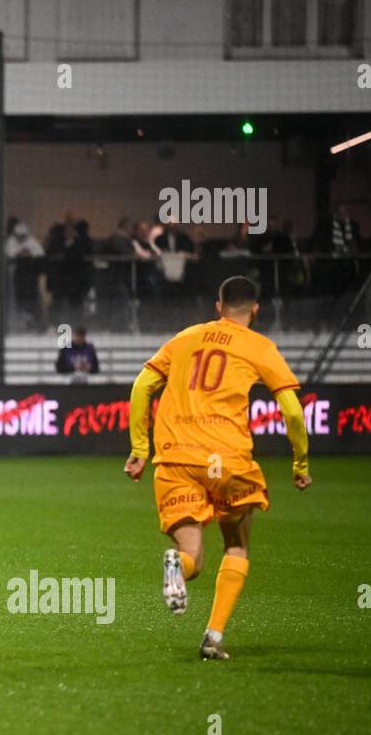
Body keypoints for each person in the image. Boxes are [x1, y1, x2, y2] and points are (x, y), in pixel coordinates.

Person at [123, 276, 311, 661]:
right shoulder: (260, 346)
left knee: (191, 552)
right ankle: (213, 636)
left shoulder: (186, 337)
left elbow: (142, 386)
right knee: (237, 545)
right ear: (255, 309)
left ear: (218, 306)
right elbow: (292, 408)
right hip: (227, 460)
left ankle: (179, 564)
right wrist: (300, 462)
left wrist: (140, 447)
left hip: (176, 458)